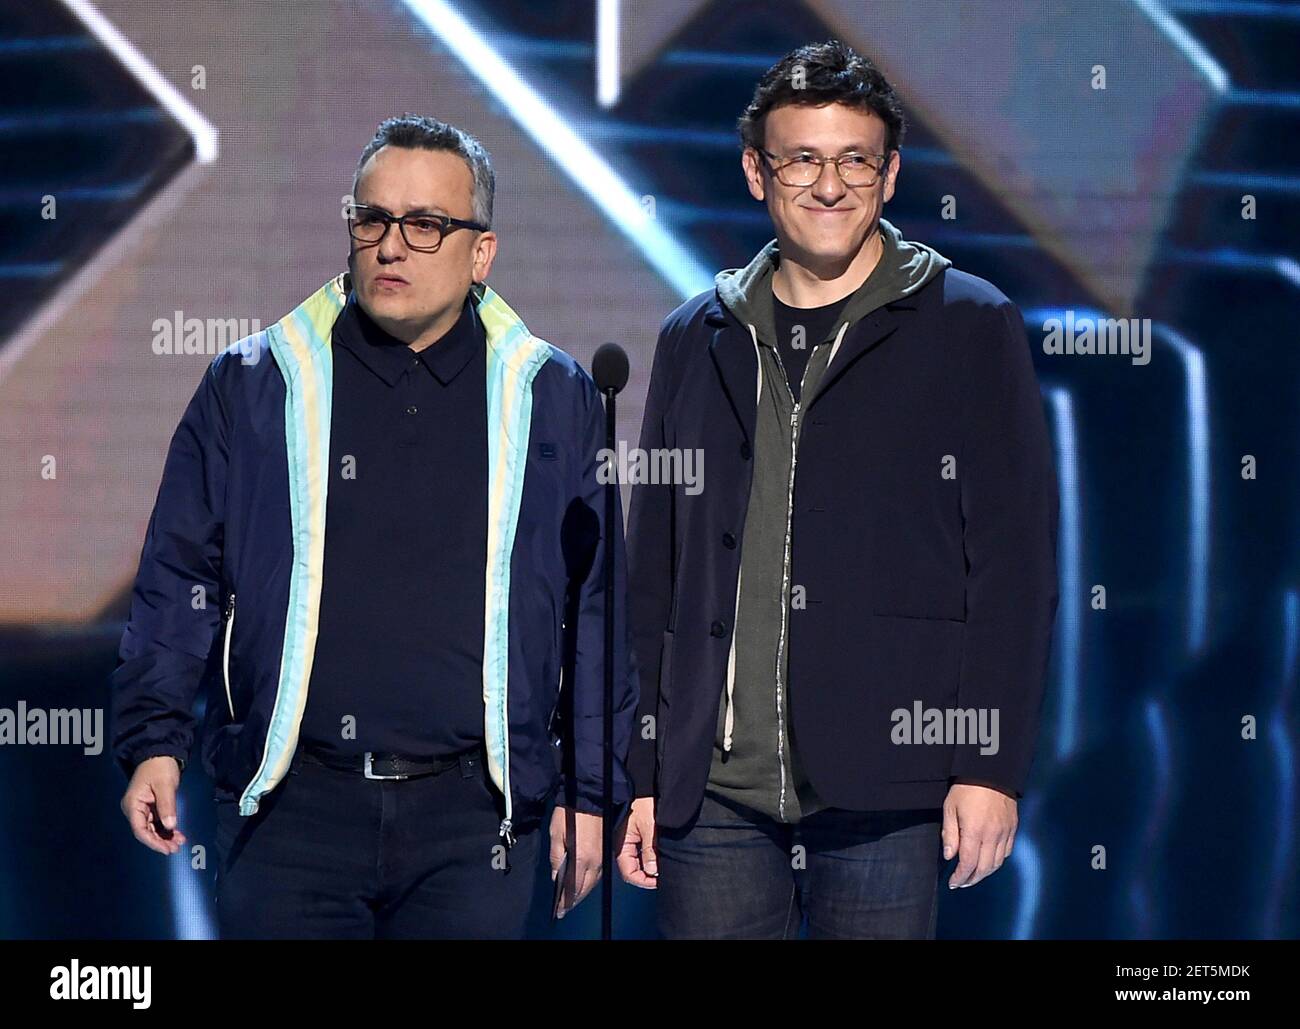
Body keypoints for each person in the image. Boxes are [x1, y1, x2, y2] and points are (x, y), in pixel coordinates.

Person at [111, 114, 636, 939]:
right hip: (291, 815)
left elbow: (597, 606)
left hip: (478, 823)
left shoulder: (552, 397)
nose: (392, 246)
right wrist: (154, 737)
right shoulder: (255, 384)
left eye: (426, 225)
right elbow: (181, 575)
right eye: (372, 219)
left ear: (481, 254)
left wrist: (593, 789)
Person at [618, 41, 1060, 939]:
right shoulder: (695, 333)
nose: (830, 184)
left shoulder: (967, 323)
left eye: (856, 159)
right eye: (803, 159)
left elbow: (1013, 568)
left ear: (890, 174)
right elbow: (653, 575)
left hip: (888, 785)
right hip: (712, 794)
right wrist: (639, 769)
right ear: (757, 173)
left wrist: (988, 763)